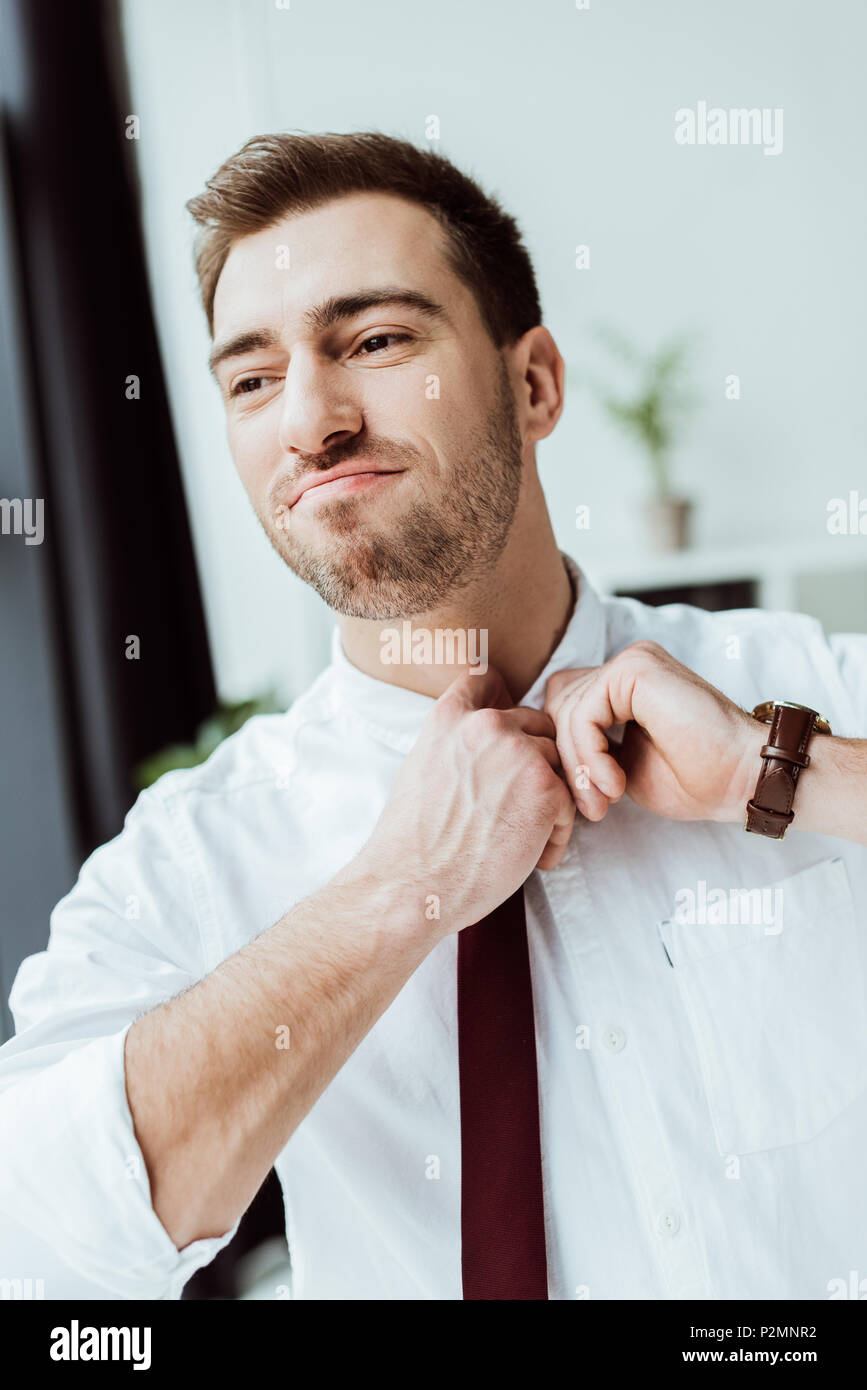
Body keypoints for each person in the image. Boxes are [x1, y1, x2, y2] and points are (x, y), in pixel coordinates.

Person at [1, 132, 866, 1301]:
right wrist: (400, 890)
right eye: (253, 379)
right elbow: (42, 1247)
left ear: (535, 383)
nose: (309, 424)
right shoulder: (188, 858)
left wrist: (787, 777)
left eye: (374, 341)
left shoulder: (807, 692)